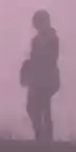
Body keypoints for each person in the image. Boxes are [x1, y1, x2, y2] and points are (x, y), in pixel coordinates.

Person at [20, 9, 60, 142]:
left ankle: (45, 138)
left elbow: (52, 58)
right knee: (33, 108)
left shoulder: (52, 39)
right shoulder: (36, 40)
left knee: (43, 108)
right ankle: (41, 135)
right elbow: (35, 58)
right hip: (37, 79)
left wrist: (36, 60)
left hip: (47, 79)